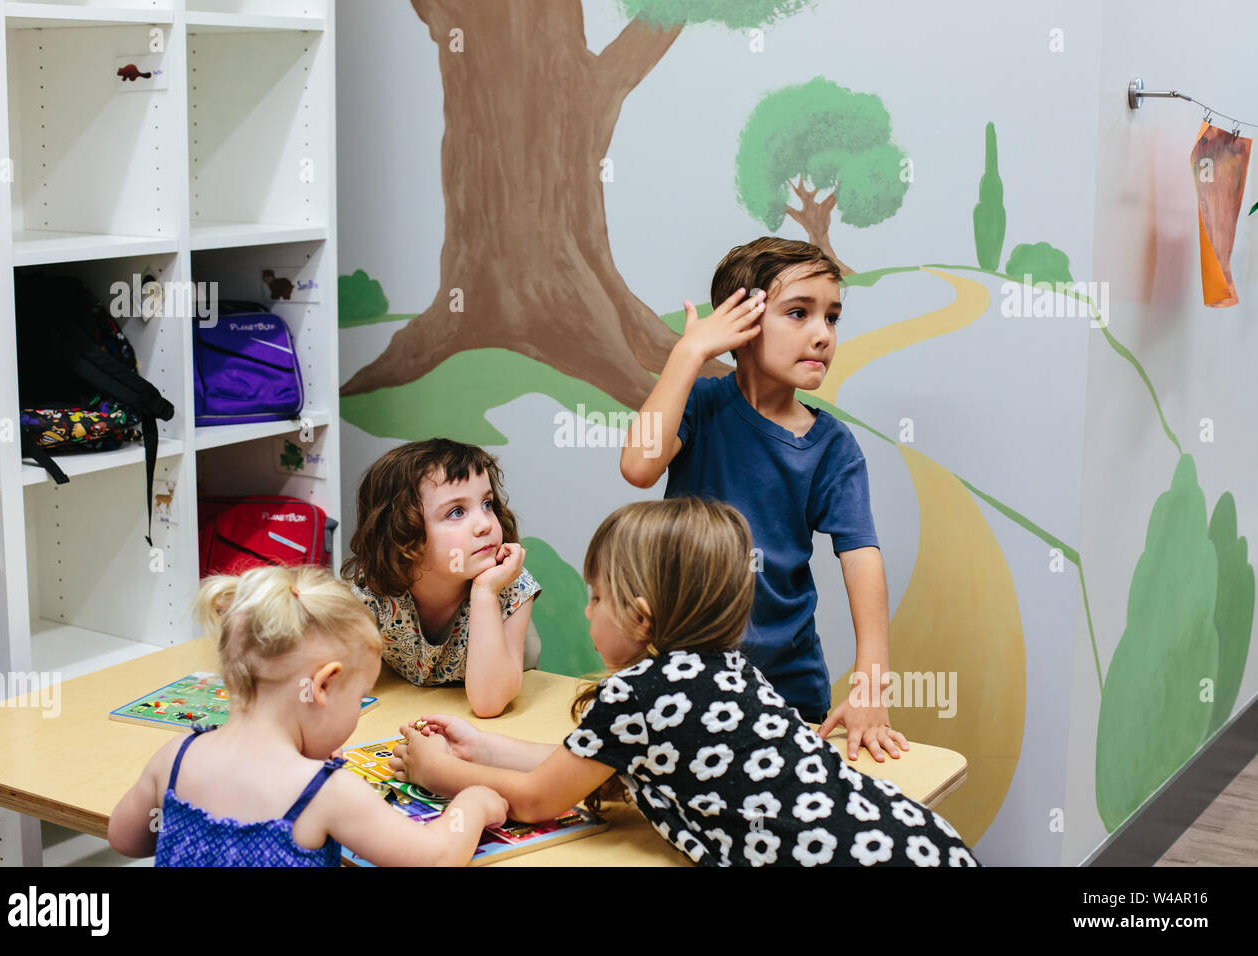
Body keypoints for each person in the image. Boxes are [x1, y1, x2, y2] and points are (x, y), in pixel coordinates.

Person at [392, 499, 980, 868]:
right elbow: (601, 760)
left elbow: (542, 797)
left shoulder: (636, 695)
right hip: (918, 842)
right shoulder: (733, 673)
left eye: (598, 597)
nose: (588, 612)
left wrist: (439, 771)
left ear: (641, 617)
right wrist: (485, 746)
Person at [619, 236, 903, 763]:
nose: (822, 335)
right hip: (684, 676)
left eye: (832, 318)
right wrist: (689, 353)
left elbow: (862, 557)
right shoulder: (699, 406)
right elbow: (639, 465)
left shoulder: (832, 447)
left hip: (787, 689)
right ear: (743, 325)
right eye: (799, 313)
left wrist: (870, 686)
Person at [108, 565, 508, 866]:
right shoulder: (325, 793)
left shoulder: (176, 755)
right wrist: (472, 804)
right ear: (322, 686)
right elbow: (434, 859)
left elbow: (125, 840)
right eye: (358, 698)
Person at [343, 438, 540, 717]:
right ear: (403, 533)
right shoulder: (374, 587)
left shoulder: (510, 586)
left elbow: (489, 703)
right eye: (456, 512)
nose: (485, 524)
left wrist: (485, 592)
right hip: (415, 706)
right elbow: (347, 679)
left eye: (487, 504)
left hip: (498, 706)